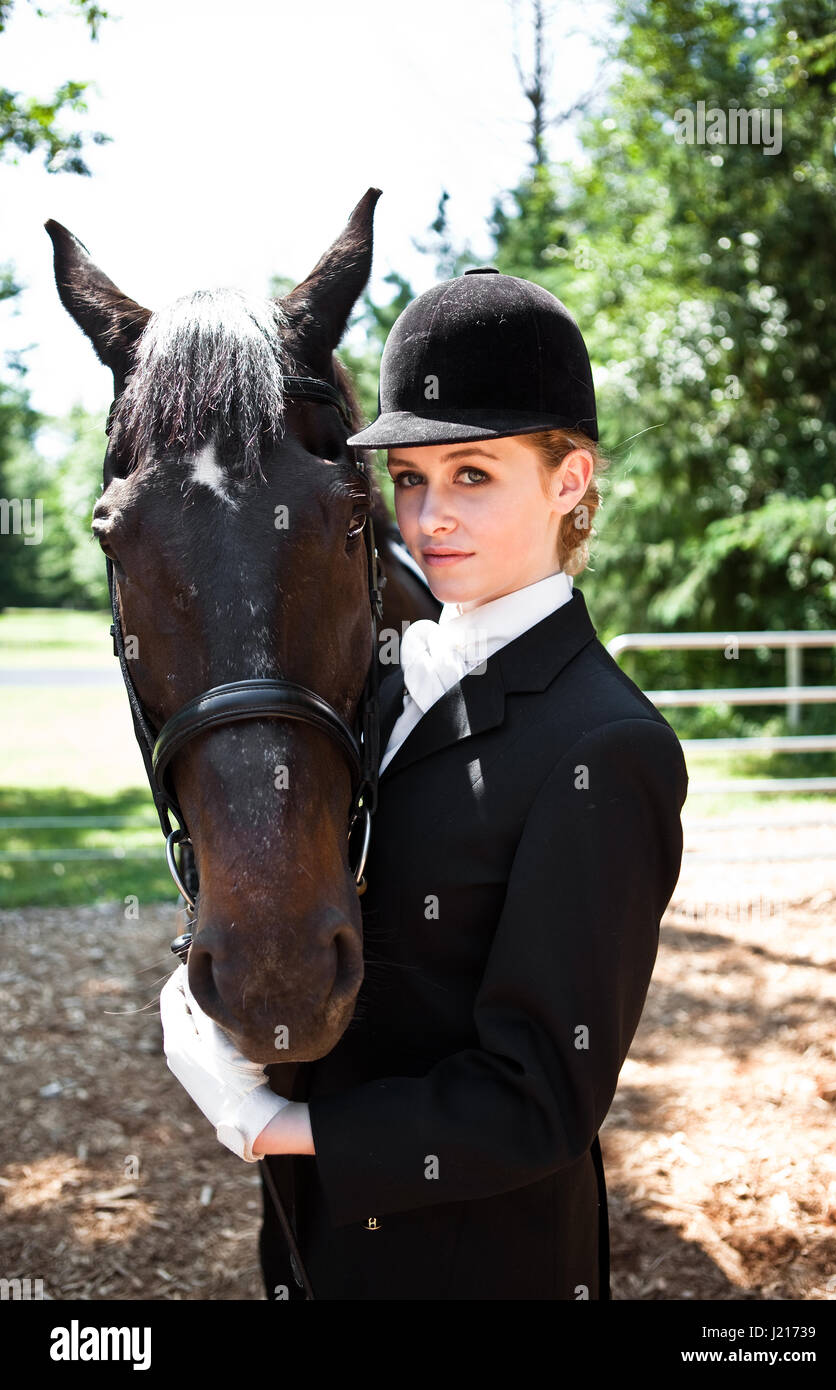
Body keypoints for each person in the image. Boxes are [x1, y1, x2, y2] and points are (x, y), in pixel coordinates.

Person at [161, 265, 688, 1301]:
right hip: (315, 1251)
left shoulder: (607, 747)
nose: (429, 515)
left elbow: (538, 1098)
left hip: (474, 1264)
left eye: (473, 475)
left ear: (569, 480)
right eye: (408, 479)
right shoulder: (382, 674)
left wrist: (282, 1127)